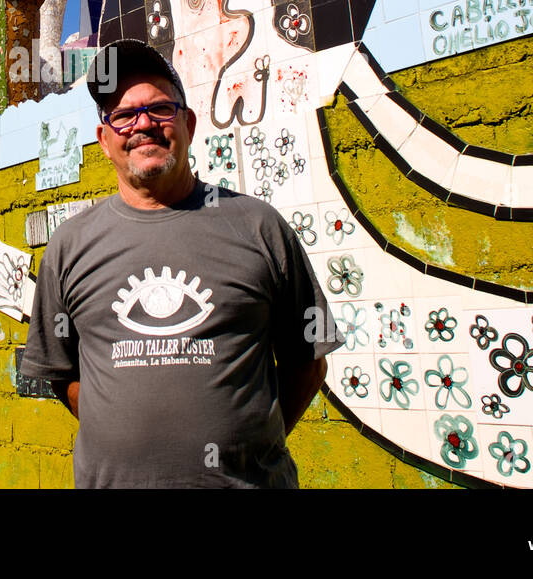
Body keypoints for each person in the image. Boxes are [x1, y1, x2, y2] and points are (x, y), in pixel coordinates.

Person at [20, 39, 341, 488]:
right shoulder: (70, 246)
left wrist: (250, 448)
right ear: (104, 139)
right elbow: (61, 372)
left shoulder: (259, 227)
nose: (143, 125)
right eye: (124, 115)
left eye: (159, 110)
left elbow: (307, 362)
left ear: (188, 124)